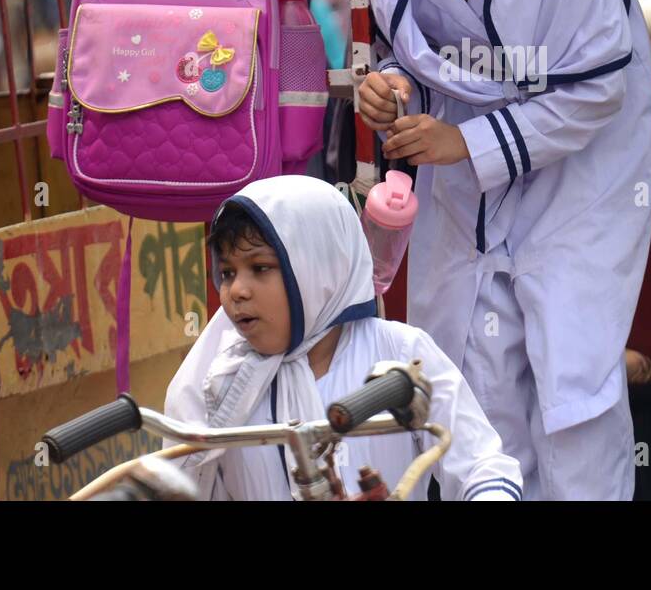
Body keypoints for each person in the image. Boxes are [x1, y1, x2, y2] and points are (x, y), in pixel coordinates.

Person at [355, 0, 651, 500]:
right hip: (459, 173)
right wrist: (390, 87)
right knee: (467, 368)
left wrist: (468, 143)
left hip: (587, 168)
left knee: (573, 384)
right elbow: (411, 58)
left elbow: (596, 92)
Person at [164, 175, 521, 501]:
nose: (236, 290)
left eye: (260, 268)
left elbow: (482, 466)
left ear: (318, 265)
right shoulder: (220, 383)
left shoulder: (399, 352)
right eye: (227, 272)